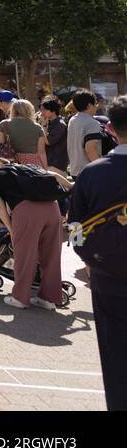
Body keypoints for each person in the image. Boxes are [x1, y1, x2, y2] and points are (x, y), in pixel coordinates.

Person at [67, 95, 127, 410]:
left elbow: (75, 227)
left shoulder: (93, 173)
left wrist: (88, 259)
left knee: (115, 351)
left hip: (108, 271)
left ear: (112, 130)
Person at [0, 157, 71, 311]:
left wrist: (10, 228)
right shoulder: (27, 168)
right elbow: (52, 175)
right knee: (51, 255)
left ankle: (20, 298)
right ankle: (48, 299)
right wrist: (71, 185)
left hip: (27, 211)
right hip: (53, 208)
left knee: (25, 256)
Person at [67, 89, 104, 179]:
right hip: (90, 171)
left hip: (75, 170)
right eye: (95, 103)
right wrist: (102, 168)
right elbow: (90, 149)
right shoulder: (93, 123)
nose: (97, 106)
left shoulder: (72, 120)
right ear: (89, 105)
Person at [0, 99, 47, 168]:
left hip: (12, 165)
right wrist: (45, 170)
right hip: (34, 165)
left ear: (13, 110)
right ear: (30, 110)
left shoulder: (4, 124)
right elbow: (41, 152)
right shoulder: (37, 127)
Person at [39, 98, 69, 174]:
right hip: (47, 162)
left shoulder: (60, 124)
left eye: (44, 110)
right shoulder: (48, 122)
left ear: (53, 110)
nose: (41, 113)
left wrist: (44, 126)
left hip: (56, 164)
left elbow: (48, 141)